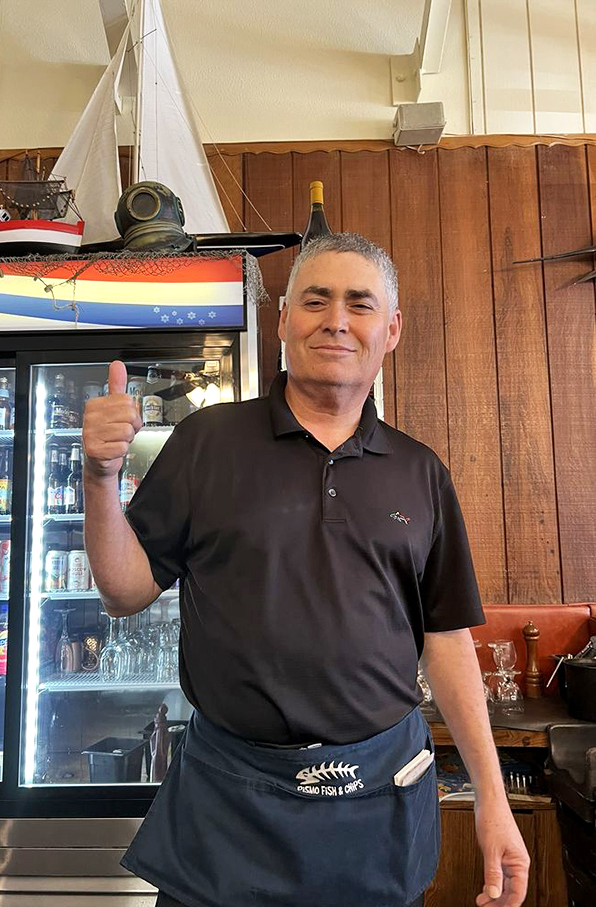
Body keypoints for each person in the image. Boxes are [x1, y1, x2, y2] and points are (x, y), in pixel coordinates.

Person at [83, 233, 530, 907]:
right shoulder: (207, 442)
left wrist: (493, 797)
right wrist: (98, 478)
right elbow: (124, 592)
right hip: (230, 800)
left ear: (391, 329)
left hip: (378, 799)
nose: (337, 321)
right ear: (285, 319)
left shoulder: (421, 472)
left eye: (360, 304)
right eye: (316, 301)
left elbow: (446, 640)